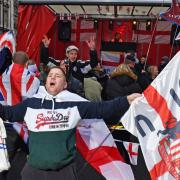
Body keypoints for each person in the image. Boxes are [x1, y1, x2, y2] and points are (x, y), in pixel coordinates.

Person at [0, 66, 141, 180]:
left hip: (64, 173)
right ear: (46, 82)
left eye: (58, 76)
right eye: (50, 75)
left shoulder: (74, 105)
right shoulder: (31, 104)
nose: (53, 77)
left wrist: (126, 100)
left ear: (65, 84)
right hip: (33, 172)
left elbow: (101, 109)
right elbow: (7, 113)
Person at [0, 51, 40, 180]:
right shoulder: (33, 80)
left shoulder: (1, 75)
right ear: (27, 63)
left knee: (4, 161)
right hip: (23, 125)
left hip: (5, 122)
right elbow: (33, 102)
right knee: (36, 157)